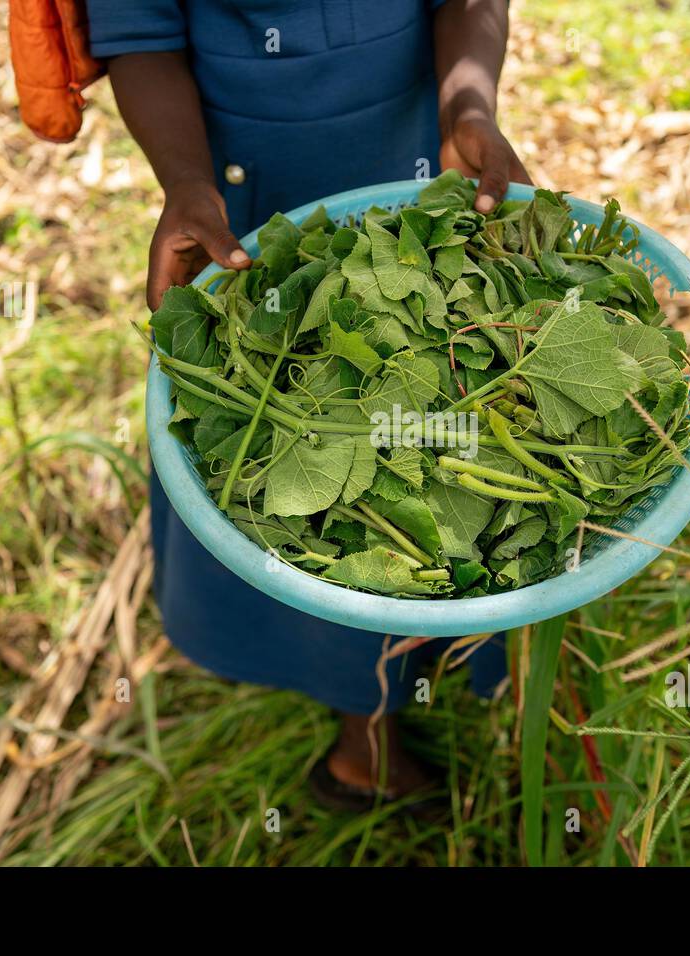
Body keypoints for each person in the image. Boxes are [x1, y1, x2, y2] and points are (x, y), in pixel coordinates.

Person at [89, 0, 532, 807]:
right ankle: (364, 735)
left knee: (464, 430)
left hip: (418, 166)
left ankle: (459, 649)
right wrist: (185, 181)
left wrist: (467, 108)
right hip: (250, 210)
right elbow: (141, 39)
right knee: (310, 479)